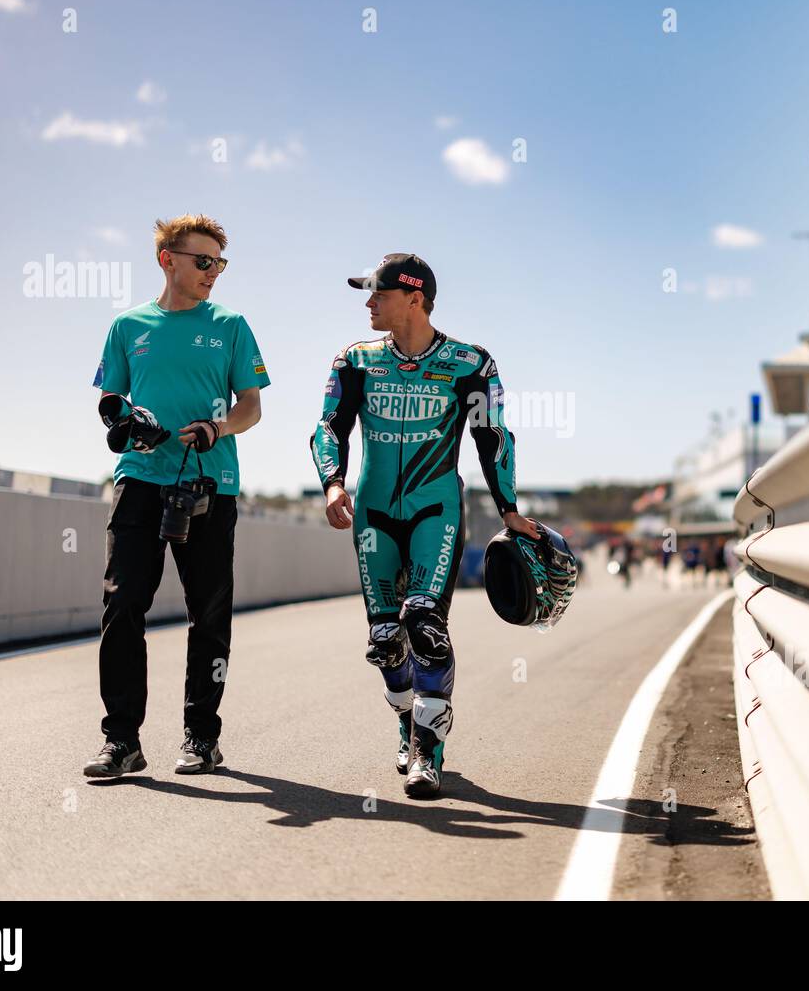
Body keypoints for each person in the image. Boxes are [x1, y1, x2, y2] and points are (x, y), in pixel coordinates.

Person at [311, 253, 540, 799]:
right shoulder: (354, 360)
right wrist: (332, 482)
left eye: (378, 294)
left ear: (414, 298)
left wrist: (508, 506)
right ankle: (407, 722)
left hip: (436, 510)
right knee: (386, 639)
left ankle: (428, 751)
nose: (368, 303)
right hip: (372, 511)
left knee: (424, 623)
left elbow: (493, 437)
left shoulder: (470, 363)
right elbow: (328, 426)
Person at [84, 215, 270, 778]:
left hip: (209, 485)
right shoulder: (127, 325)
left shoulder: (231, 325)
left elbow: (251, 407)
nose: (214, 272)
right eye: (204, 260)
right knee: (122, 607)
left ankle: (201, 738)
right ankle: (121, 741)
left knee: (208, 615)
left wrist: (218, 429)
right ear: (168, 260)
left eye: (220, 263)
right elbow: (109, 400)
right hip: (139, 479)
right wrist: (128, 419)